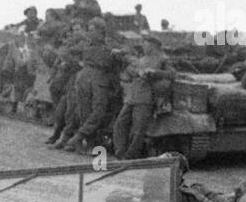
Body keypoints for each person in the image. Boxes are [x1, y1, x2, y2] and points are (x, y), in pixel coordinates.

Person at [57, 20, 116, 152]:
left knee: (98, 112)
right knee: (84, 112)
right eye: (88, 29)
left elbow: (120, 54)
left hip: (100, 76)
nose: (89, 32)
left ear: (100, 32)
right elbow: (64, 52)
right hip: (85, 76)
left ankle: (78, 137)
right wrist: (78, 63)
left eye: (92, 30)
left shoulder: (110, 44)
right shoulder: (85, 44)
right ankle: (87, 143)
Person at [112, 34, 170, 160]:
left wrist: (154, 72)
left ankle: (130, 155)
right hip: (132, 95)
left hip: (145, 97)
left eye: (146, 43)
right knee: (120, 124)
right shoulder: (142, 59)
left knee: (138, 130)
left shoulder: (162, 59)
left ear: (153, 46)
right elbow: (134, 72)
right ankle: (120, 151)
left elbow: (172, 74)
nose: (143, 46)